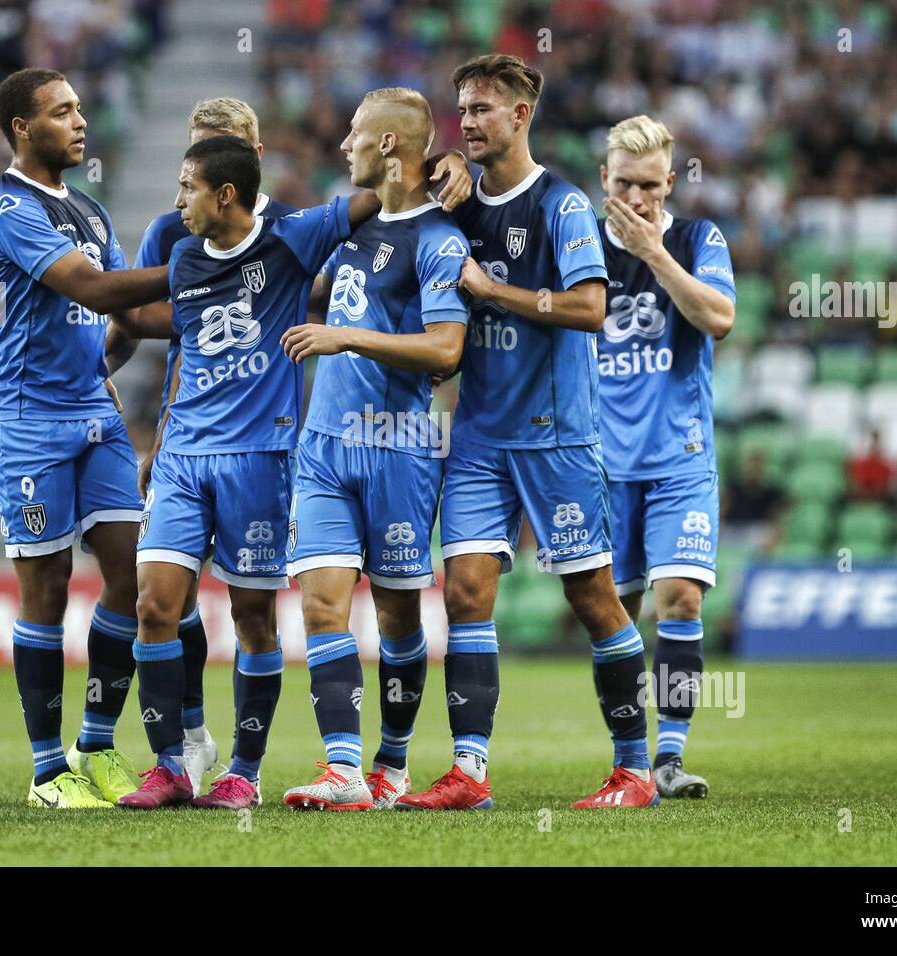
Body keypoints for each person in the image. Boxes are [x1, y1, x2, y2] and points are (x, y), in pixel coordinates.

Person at [400, 55, 658, 811]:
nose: (469, 122)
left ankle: (634, 768)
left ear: (521, 115)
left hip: (557, 437)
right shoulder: (455, 206)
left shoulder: (563, 205)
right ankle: (469, 772)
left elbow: (589, 309)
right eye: (463, 109)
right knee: (467, 592)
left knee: (592, 599)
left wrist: (492, 291)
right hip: (479, 437)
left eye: (482, 108)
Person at [117, 135, 384, 811]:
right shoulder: (179, 254)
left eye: (189, 188)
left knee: (254, 620)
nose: (179, 202)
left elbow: (376, 199)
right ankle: (171, 765)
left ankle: (244, 771)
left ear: (225, 194)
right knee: (153, 604)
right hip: (183, 456)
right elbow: (163, 332)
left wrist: (438, 168)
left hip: (262, 460)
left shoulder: (292, 238)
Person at [0, 68, 172, 809]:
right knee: (48, 587)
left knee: (130, 576)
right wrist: (194, 264)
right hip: (25, 420)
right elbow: (92, 290)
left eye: (81, 108)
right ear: (24, 128)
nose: (80, 121)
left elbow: (134, 318)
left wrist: (241, 302)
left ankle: (95, 745)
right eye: (62, 112)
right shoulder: (6, 206)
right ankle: (47, 771)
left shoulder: (87, 209)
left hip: (95, 412)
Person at [276, 88, 471, 811]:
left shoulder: (442, 241)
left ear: (389, 145)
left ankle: (392, 762)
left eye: (355, 132)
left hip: (399, 445)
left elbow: (447, 350)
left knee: (395, 618)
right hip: (326, 445)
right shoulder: (352, 226)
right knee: (323, 604)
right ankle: (343, 770)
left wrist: (343, 336)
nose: (342, 144)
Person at [596, 115, 737, 798]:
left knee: (678, 599)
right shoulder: (575, 249)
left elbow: (718, 318)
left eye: (649, 186)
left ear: (669, 183)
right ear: (604, 179)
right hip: (599, 466)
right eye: (624, 184)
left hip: (679, 458)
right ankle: (627, 760)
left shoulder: (695, 239)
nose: (636, 199)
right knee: (612, 618)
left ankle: (670, 757)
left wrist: (654, 253)